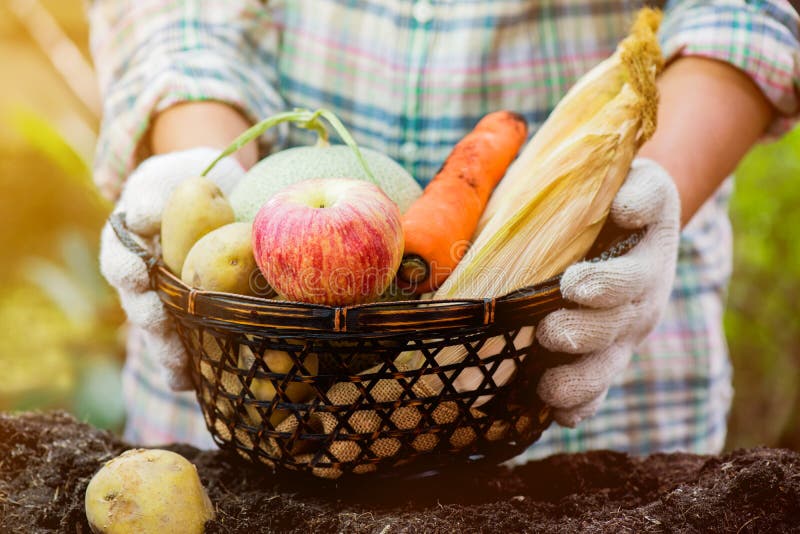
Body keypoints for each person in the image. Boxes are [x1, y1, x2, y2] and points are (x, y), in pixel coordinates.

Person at [94, 1, 800, 457]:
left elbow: (747, 13)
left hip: (583, 366)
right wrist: (200, 164)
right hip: (251, 405)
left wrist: (644, 193)